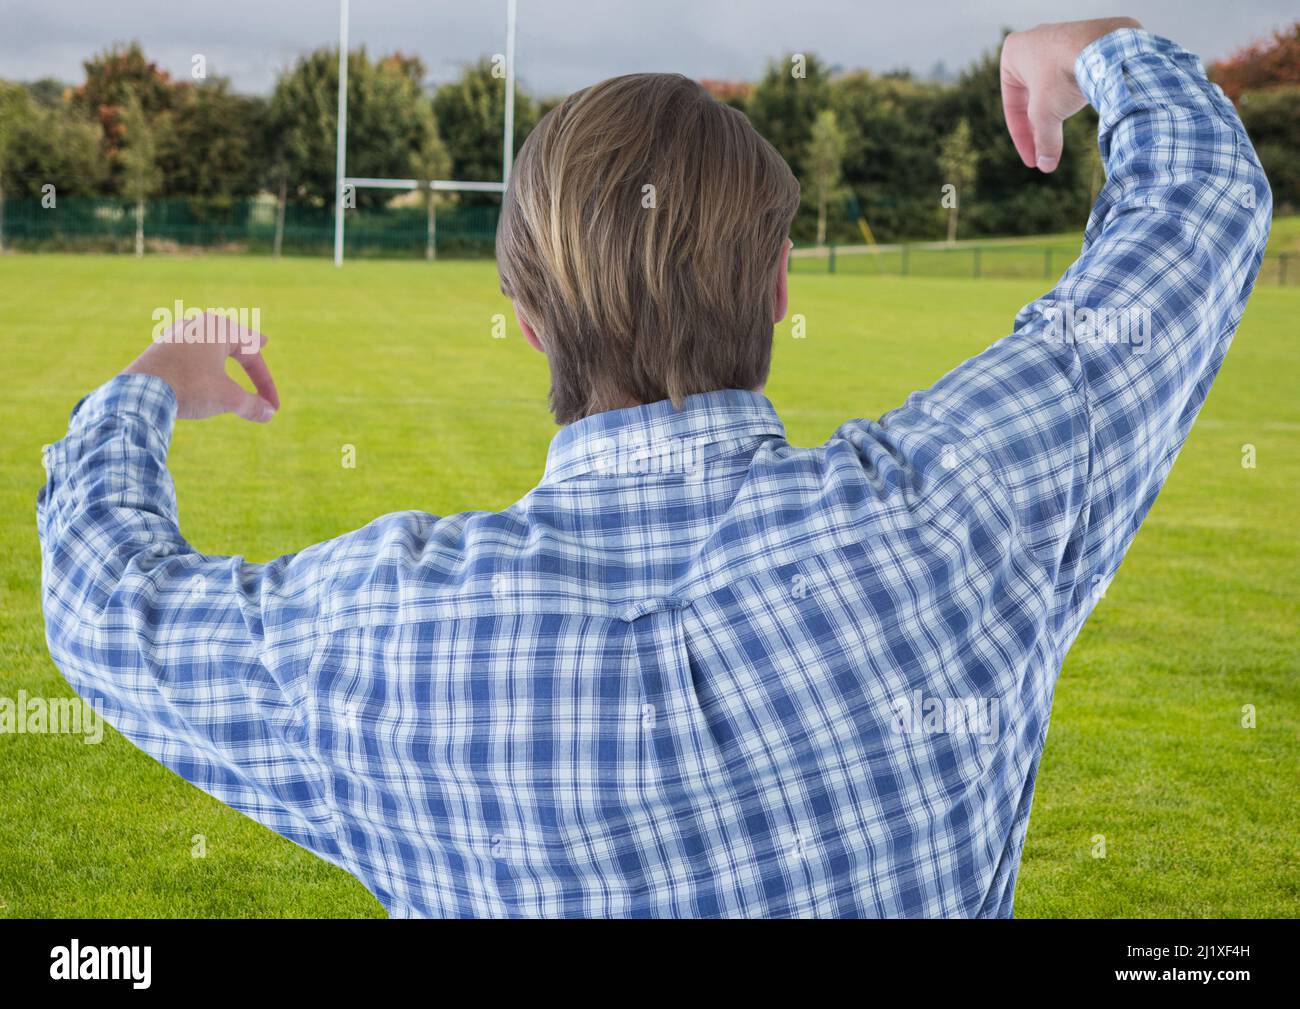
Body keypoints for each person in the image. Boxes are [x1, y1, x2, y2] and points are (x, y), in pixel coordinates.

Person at [38, 17, 1270, 917]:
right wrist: (1100, 45)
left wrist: (146, 387)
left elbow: (103, 599)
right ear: (780, 288)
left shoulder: (379, 639)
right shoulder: (956, 514)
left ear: (525, 319)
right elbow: (1198, 206)